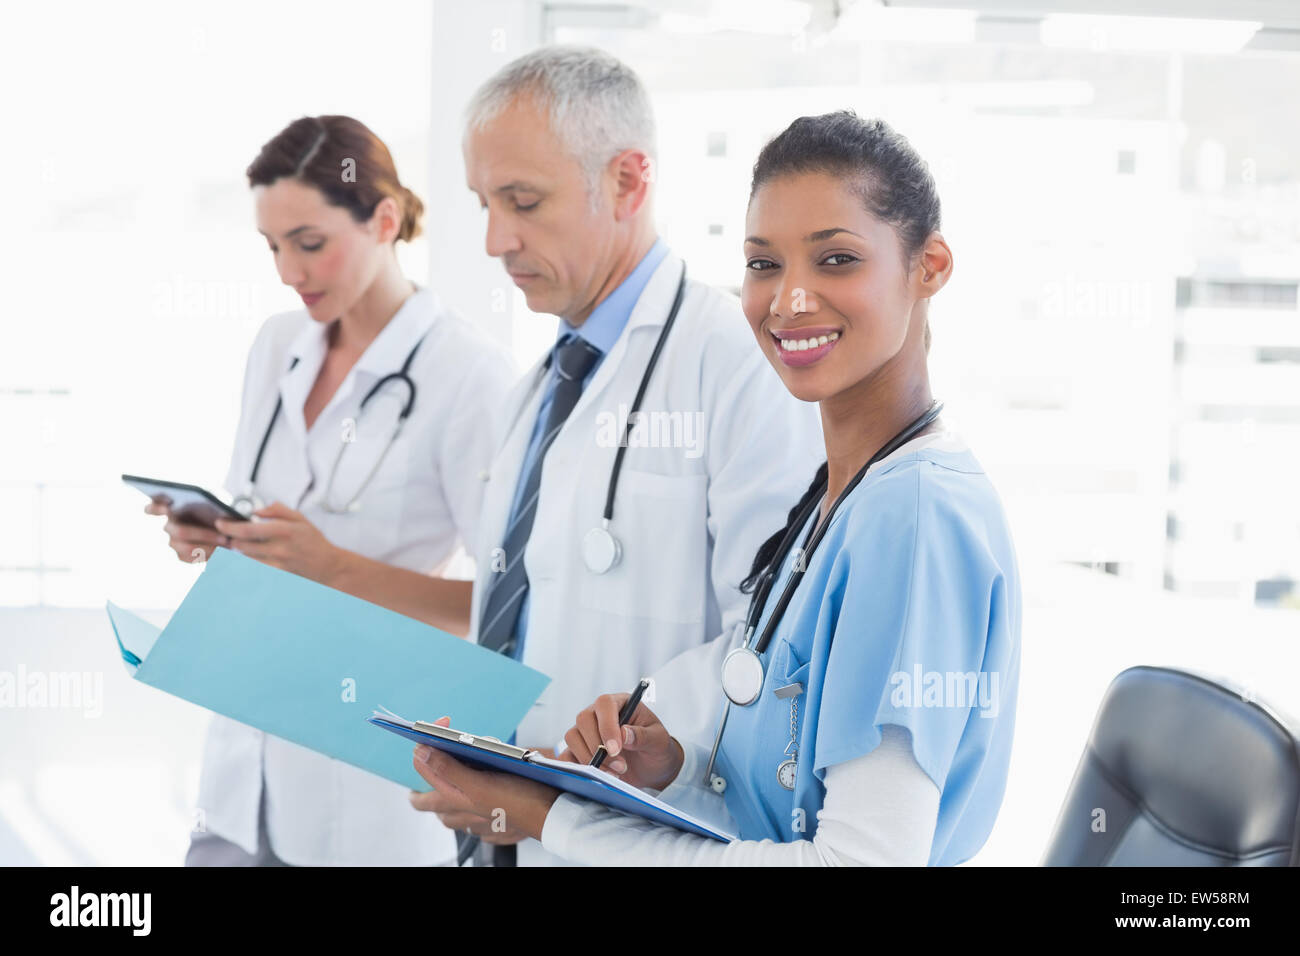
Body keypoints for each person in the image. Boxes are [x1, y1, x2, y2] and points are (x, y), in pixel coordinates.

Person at [407, 111, 1022, 865]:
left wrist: (551, 818)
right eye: (764, 265)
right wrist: (675, 768)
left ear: (929, 266)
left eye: (835, 260)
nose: (789, 299)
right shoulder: (838, 500)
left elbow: (858, 863)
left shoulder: (915, 513)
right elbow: (784, 792)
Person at [397, 46, 824, 866]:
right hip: (504, 838)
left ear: (629, 181)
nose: (494, 238)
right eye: (485, 204)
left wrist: (648, 726)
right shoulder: (541, 391)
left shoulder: (735, 357)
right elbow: (526, 618)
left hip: (640, 839)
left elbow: (771, 646)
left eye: (522, 200)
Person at [146, 115, 516, 866]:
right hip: (239, 766)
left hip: (363, 791)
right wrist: (218, 538)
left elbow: (505, 610)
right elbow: (262, 518)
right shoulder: (277, 345)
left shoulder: (467, 376)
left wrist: (336, 568)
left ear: (385, 220)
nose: (289, 270)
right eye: (273, 246)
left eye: (309, 243)